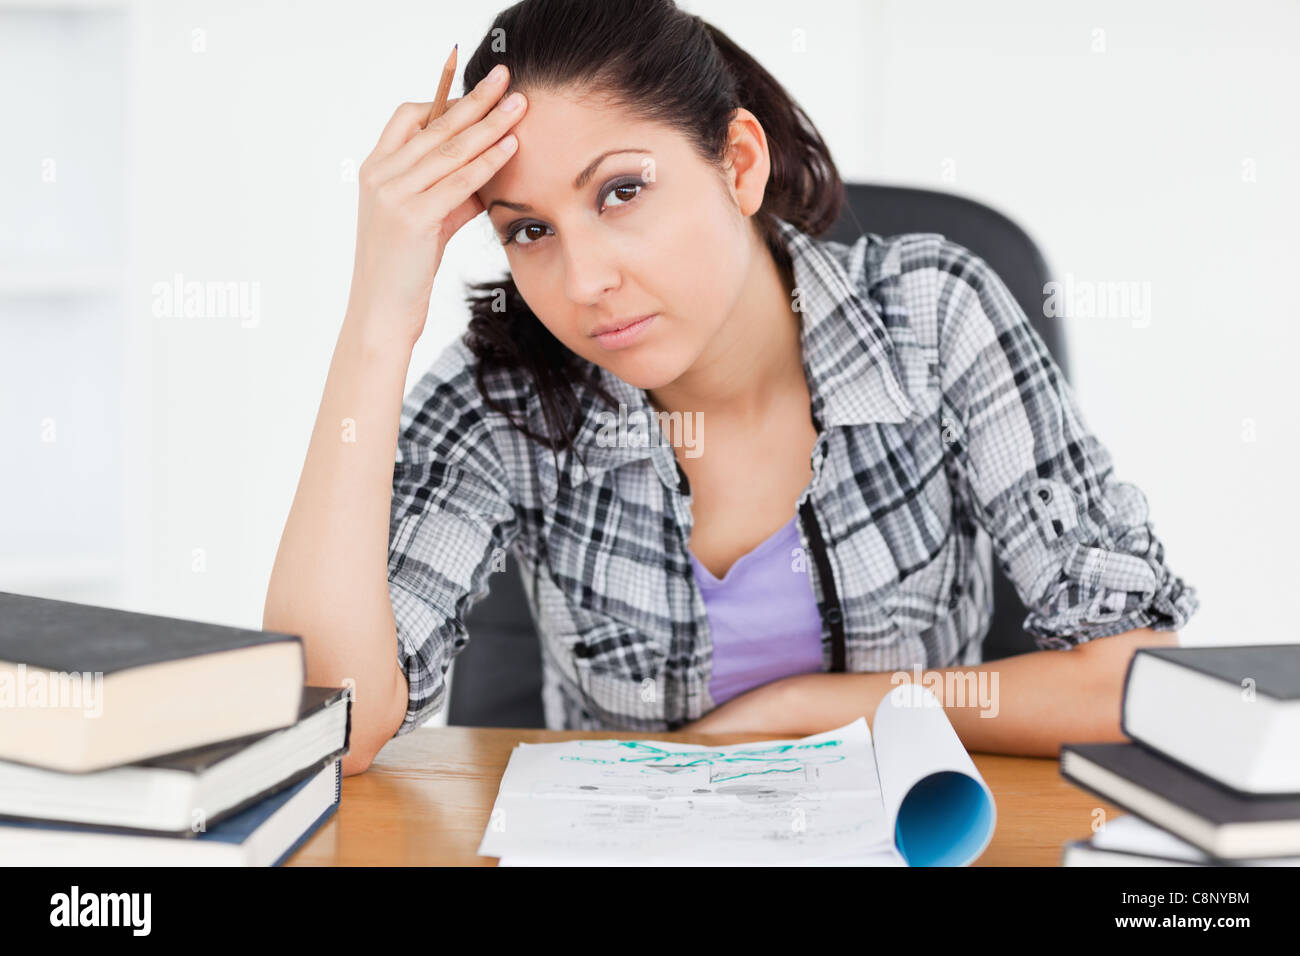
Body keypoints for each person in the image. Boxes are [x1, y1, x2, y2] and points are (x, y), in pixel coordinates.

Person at [264, 0, 1198, 776]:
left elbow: (1133, 681)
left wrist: (806, 711)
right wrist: (376, 322)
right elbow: (327, 726)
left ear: (739, 163)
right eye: (528, 231)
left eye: (621, 191)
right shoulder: (498, 394)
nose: (584, 282)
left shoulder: (934, 316)